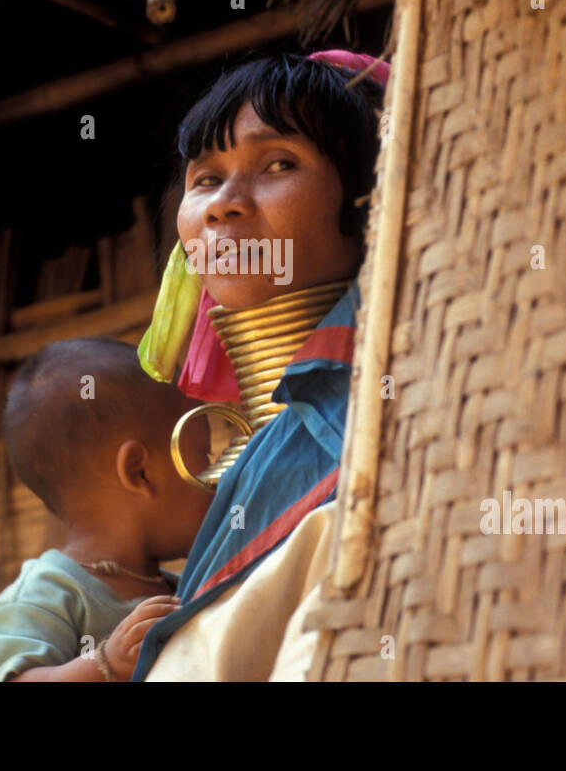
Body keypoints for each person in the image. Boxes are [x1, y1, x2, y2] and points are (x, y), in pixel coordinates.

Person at [133, 50, 389, 681]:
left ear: (365, 197)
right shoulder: (256, 451)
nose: (224, 205)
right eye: (204, 179)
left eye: (278, 163)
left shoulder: (390, 393)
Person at [0, 337, 213, 681]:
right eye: (204, 454)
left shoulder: (185, 587)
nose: (217, 475)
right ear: (139, 472)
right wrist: (104, 664)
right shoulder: (49, 593)